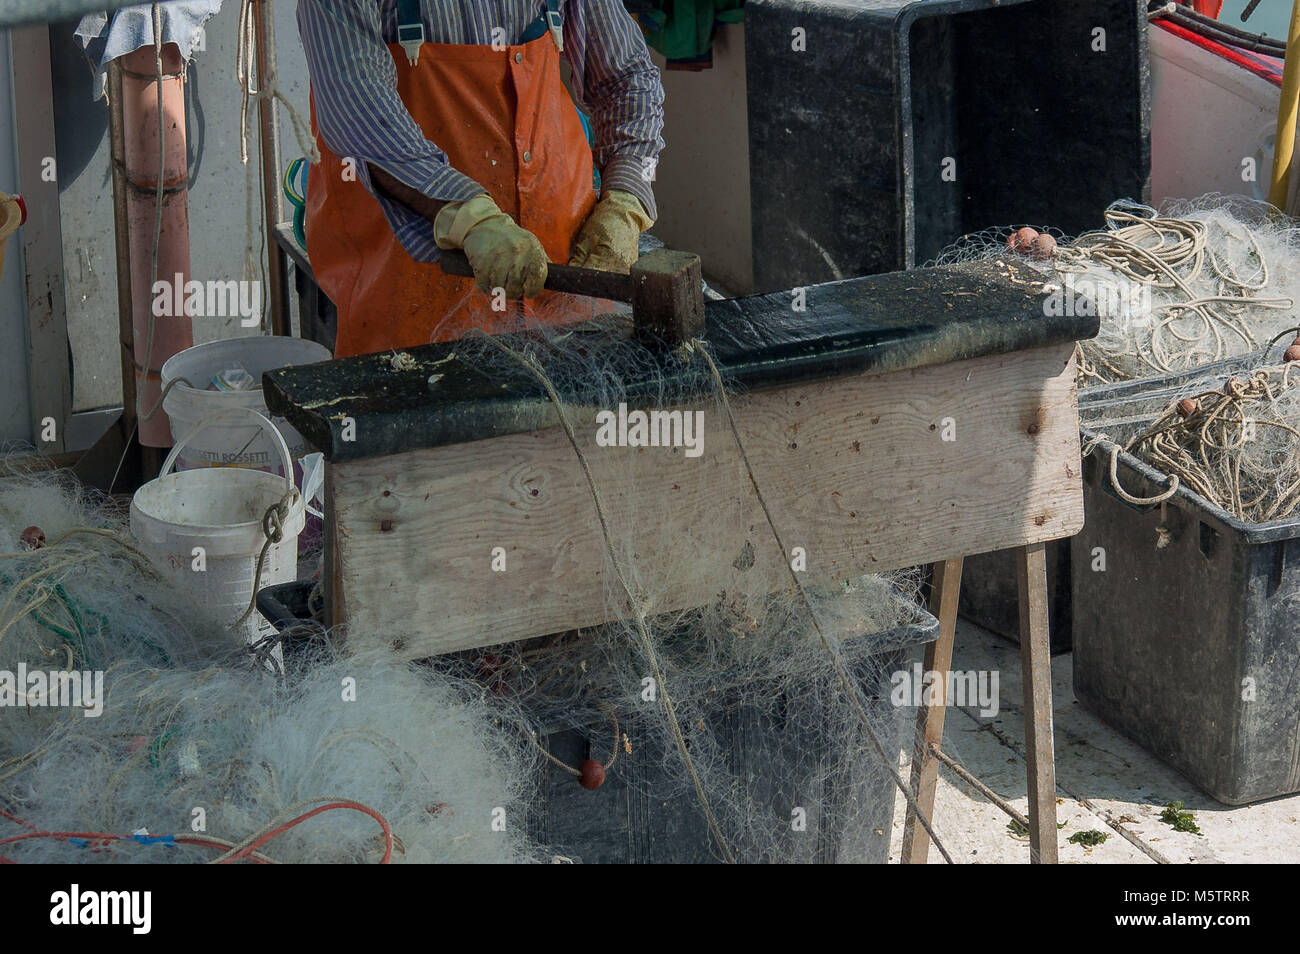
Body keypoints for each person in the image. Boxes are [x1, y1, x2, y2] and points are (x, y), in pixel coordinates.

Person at [297, 0, 666, 358]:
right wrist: (470, 219)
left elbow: (627, 78)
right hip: (416, 296)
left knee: (571, 413)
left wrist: (626, 198)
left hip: (565, 277)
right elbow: (358, 110)